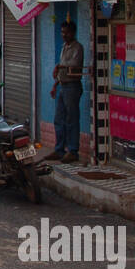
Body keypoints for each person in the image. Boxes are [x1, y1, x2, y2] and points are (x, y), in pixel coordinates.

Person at [47, 20, 84, 163]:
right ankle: (59, 149)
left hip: (72, 86)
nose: (64, 35)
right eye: (62, 32)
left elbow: (74, 64)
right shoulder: (64, 47)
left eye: (66, 32)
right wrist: (55, 84)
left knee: (71, 119)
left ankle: (73, 150)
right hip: (62, 86)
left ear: (72, 33)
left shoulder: (77, 48)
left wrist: (59, 66)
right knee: (59, 119)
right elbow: (62, 69)